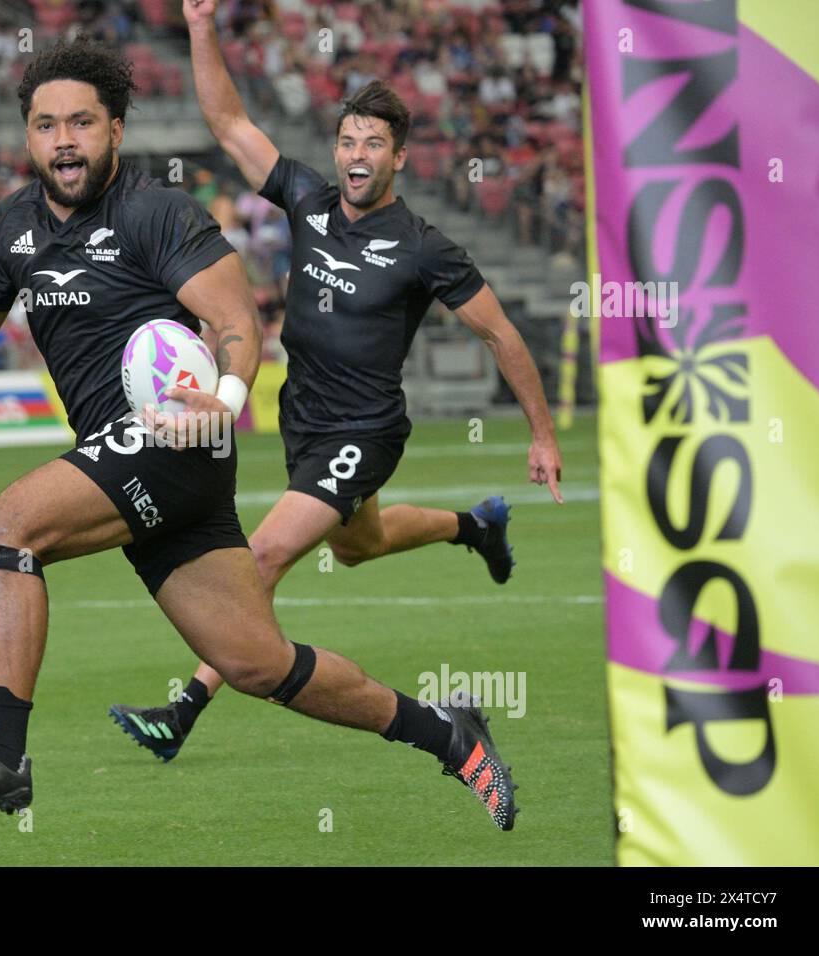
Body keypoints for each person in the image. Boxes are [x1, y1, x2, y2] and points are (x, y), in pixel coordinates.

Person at [0, 36, 518, 831]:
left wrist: (223, 398)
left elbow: (234, 320)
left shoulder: (159, 212)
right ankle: (450, 734)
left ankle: (1, 758)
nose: (64, 142)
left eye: (82, 123)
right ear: (28, 138)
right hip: (137, 463)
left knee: (8, 527)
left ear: (116, 129)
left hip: (176, 439)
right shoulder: (13, 227)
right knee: (256, 663)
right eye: (47, 126)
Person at [107, 0, 562, 770]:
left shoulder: (425, 247)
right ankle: (473, 526)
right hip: (305, 425)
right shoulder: (311, 203)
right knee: (360, 546)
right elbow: (230, 126)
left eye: (373, 142)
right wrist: (200, 27)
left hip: (365, 434)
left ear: (399, 158)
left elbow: (501, 335)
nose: (356, 152)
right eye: (348, 138)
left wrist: (543, 435)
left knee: (260, 559)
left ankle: (180, 712)